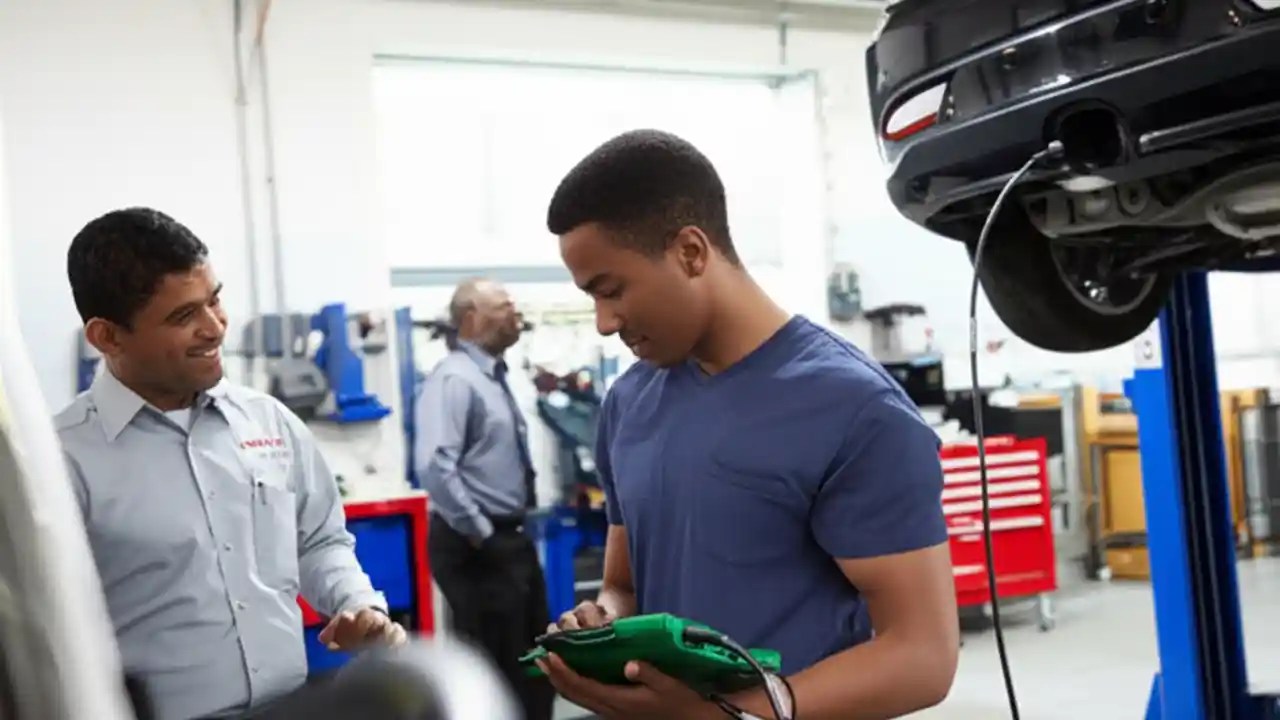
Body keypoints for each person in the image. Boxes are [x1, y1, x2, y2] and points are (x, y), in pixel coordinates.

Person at [537, 130, 959, 720]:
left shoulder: (855, 410)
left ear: (690, 252)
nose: (605, 322)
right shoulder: (629, 402)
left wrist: (738, 715)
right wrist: (602, 622)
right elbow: (624, 586)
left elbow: (922, 654)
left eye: (612, 291)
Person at [55, 207, 407, 720]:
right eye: (183, 316)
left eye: (214, 300)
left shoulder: (268, 422)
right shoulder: (61, 463)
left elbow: (317, 540)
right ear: (107, 337)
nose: (214, 328)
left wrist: (358, 604)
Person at [413, 277, 555, 720]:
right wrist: (480, 532)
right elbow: (435, 465)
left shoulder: (491, 376)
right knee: (501, 671)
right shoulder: (455, 379)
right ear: (472, 318)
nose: (517, 315)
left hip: (507, 537)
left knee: (535, 663)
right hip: (479, 544)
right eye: (505, 306)